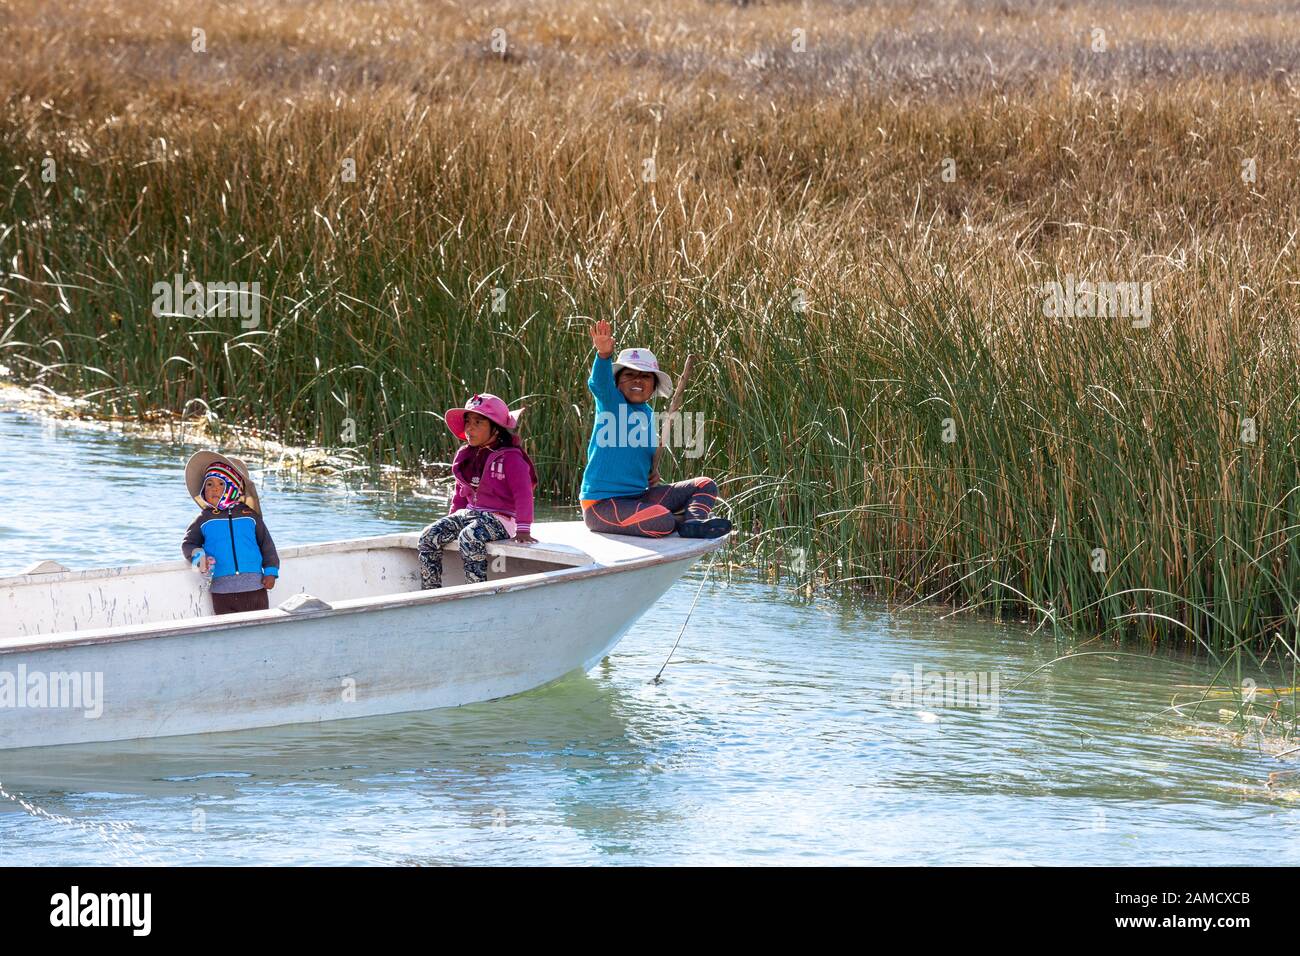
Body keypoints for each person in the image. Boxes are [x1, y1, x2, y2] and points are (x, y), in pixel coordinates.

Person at [579, 320, 731, 538]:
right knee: (662, 520)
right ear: (617, 382)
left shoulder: (649, 414)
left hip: (638, 497)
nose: (637, 380)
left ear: (653, 387)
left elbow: (640, 455)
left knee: (705, 485)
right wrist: (603, 354)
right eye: (629, 375)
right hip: (602, 505)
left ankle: (694, 521)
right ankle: (679, 520)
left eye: (645, 376)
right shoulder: (611, 403)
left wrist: (651, 470)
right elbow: (599, 383)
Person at [418, 393, 538, 589]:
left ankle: (475, 593)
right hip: (471, 514)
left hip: (502, 519)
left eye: (478, 422)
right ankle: (431, 593)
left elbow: (523, 494)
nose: (469, 428)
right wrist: (451, 520)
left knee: (469, 537)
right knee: (429, 536)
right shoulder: (466, 455)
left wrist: (523, 529)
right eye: (467, 422)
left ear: (496, 429)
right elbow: (460, 493)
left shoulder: (511, 458)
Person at [181, 451, 279, 615]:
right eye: (209, 484)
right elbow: (188, 544)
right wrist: (200, 559)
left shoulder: (251, 516)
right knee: (228, 636)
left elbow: (267, 545)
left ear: (233, 487)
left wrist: (271, 572)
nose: (214, 489)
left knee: (258, 631)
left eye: (221, 484)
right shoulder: (204, 519)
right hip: (221, 591)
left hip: (255, 587)